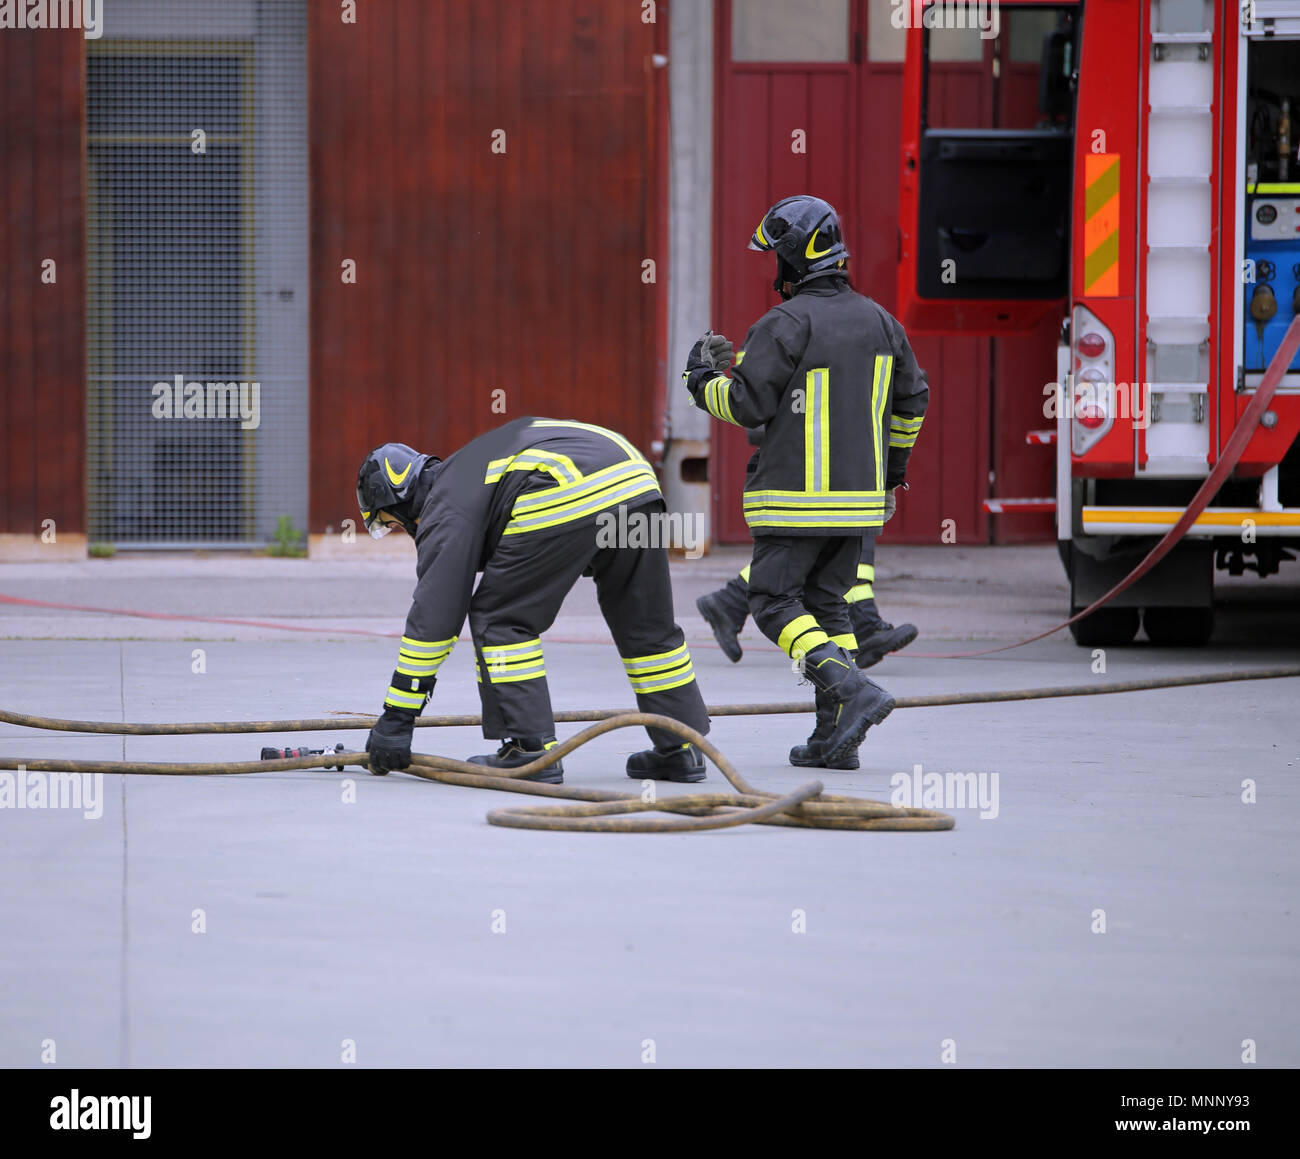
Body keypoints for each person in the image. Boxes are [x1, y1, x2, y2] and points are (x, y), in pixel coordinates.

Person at [683, 194, 929, 769]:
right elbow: (913, 402)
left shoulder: (785, 321)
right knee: (829, 605)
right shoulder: (881, 322)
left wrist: (701, 379)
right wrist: (891, 476)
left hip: (793, 501)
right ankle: (833, 738)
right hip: (860, 507)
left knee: (771, 603)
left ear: (794, 258)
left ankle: (852, 692)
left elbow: (745, 402)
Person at [356, 417, 710, 785]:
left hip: (571, 486)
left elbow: (435, 616)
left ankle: (530, 750)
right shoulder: (473, 470)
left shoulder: (445, 500)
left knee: (500, 618)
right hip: (636, 481)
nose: (404, 530)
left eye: (392, 523)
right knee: (646, 624)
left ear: (399, 501)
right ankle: (681, 747)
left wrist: (397, 716)